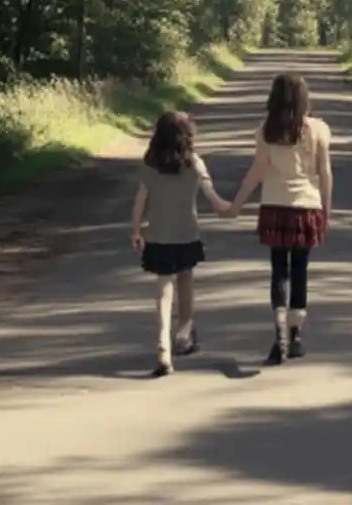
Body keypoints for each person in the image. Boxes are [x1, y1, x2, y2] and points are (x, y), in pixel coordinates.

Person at [229, 73, 333, 366]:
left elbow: (256, 172)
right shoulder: (319, 129)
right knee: (300, 269)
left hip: (274, 206)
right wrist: (327, 210)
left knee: (279, 270)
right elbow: (325, 173)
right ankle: (295, 333)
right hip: (306, 206)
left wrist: (237, 204)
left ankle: (279, 327)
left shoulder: (266, 131)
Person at [131, 111, 231, 377]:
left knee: (163, 288)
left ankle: (163, 343)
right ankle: (184, 334)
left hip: (159, 236)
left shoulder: (150, 165)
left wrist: (136, 231)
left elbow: (140, 200)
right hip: (187, 235)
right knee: (186, 281)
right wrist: (232, 208)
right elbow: (213, 198)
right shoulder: (194, 163)